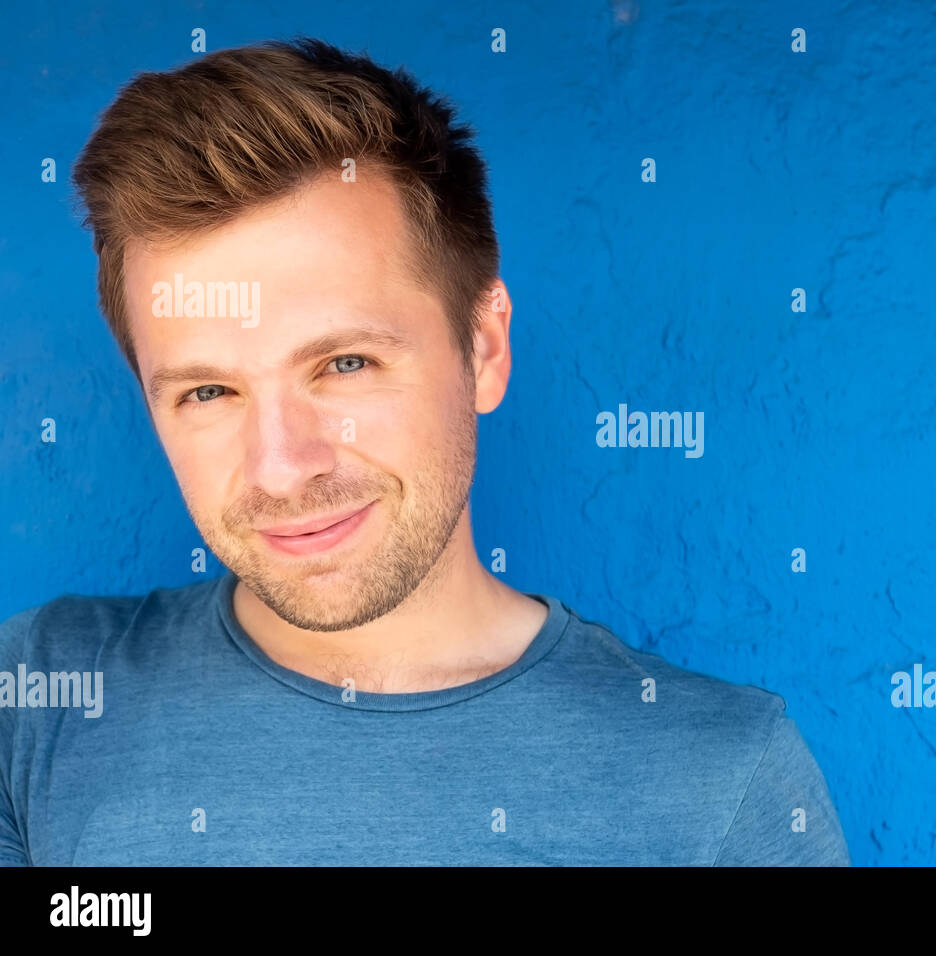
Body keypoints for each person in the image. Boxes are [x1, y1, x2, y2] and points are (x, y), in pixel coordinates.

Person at [0, 37, 850, 866]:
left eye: (344, 364)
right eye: (209, 392)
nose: (282, 468)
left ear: (483, 346)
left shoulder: (720, 785)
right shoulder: (34, 704)